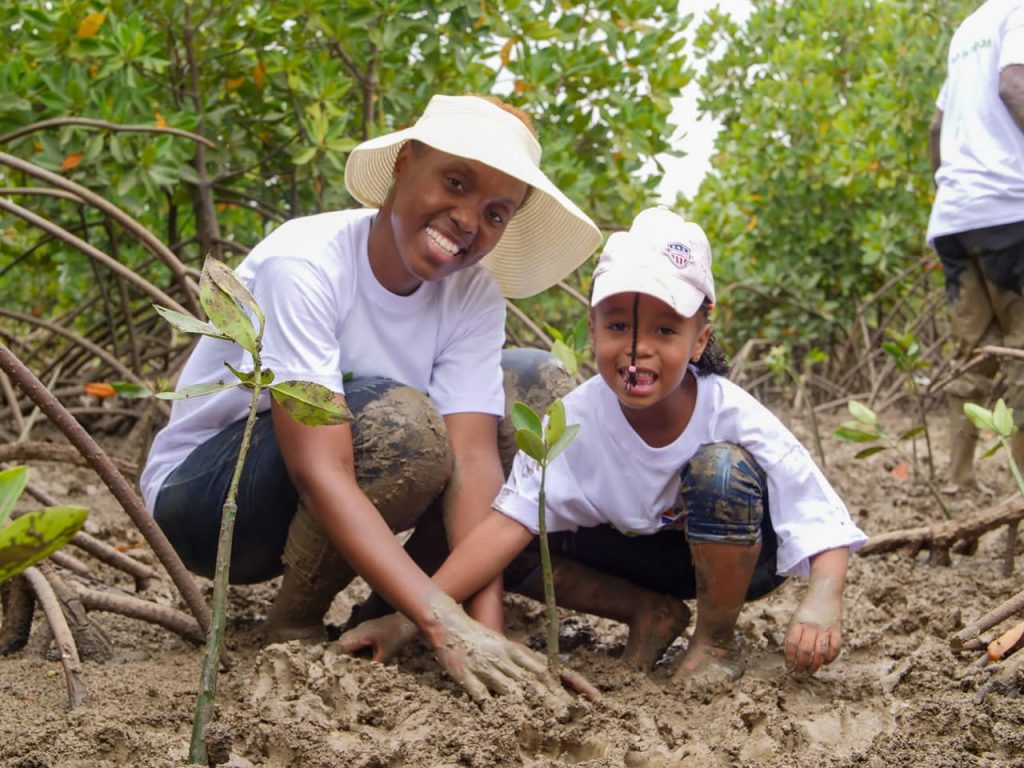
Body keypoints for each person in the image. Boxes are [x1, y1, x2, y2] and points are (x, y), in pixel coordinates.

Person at [139, 93, 602, 700]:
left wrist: (486, 632)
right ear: (405, 163)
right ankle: (296, 626)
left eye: (495, 212)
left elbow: (473, 461)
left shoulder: (473, 295)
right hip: (211, 505)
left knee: (535, 388)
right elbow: (320, 469)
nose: (468, 220)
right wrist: (444, 624)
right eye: (455, 183)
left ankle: (387, 619)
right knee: (403, 425)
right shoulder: (306, 262)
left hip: (338, 486)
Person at [341, 207, 868, 680]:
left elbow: (817, 509)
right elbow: (503, 527)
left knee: (721, 470)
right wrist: (411, 621)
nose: (638, 350)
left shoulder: (728, 410)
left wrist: (823, 598)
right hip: (642, 557)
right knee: (515, 536)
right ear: (592, 331)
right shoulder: (577, 417)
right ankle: (649, 611)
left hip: (741, 558)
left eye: (666, 331)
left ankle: (713, 644)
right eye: (618, 326)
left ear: (700, 340)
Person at [926, 0, 1024, 491]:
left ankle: (959, 477)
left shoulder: (969, 28)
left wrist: (952, 189)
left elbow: (936, 127)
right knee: (1021, 349)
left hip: (955, 214)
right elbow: (1013, 85)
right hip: (1008, 207)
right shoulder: (1018, 13)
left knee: (974, 351)